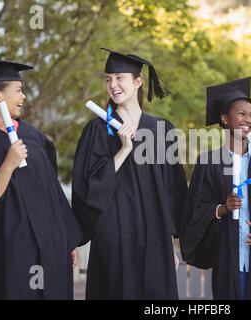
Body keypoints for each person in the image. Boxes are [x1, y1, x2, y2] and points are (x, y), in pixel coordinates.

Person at [72, 48, 187, 299]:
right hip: (114, 236)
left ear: (138, 81)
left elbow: (171, 191)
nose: (112, 85)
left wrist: (169, 243)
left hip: (155, 237)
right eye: (107, 79)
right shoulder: (96, 130)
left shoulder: (160, 129)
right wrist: (124, 149)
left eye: (119, 77)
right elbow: (89, 188)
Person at [0, 60, 82, 299]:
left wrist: (68, 239)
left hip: (50, 255)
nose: (24, 96)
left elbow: (53, 191)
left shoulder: (33, 137)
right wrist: (8, 165)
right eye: (18, 90)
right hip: (7, 259)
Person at [179, 77, 251, 299]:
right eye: (241, 114)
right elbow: (194, 211)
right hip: (227, 255)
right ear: (224, 119)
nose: (248, 120)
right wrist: (222, 209)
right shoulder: (209, 162)